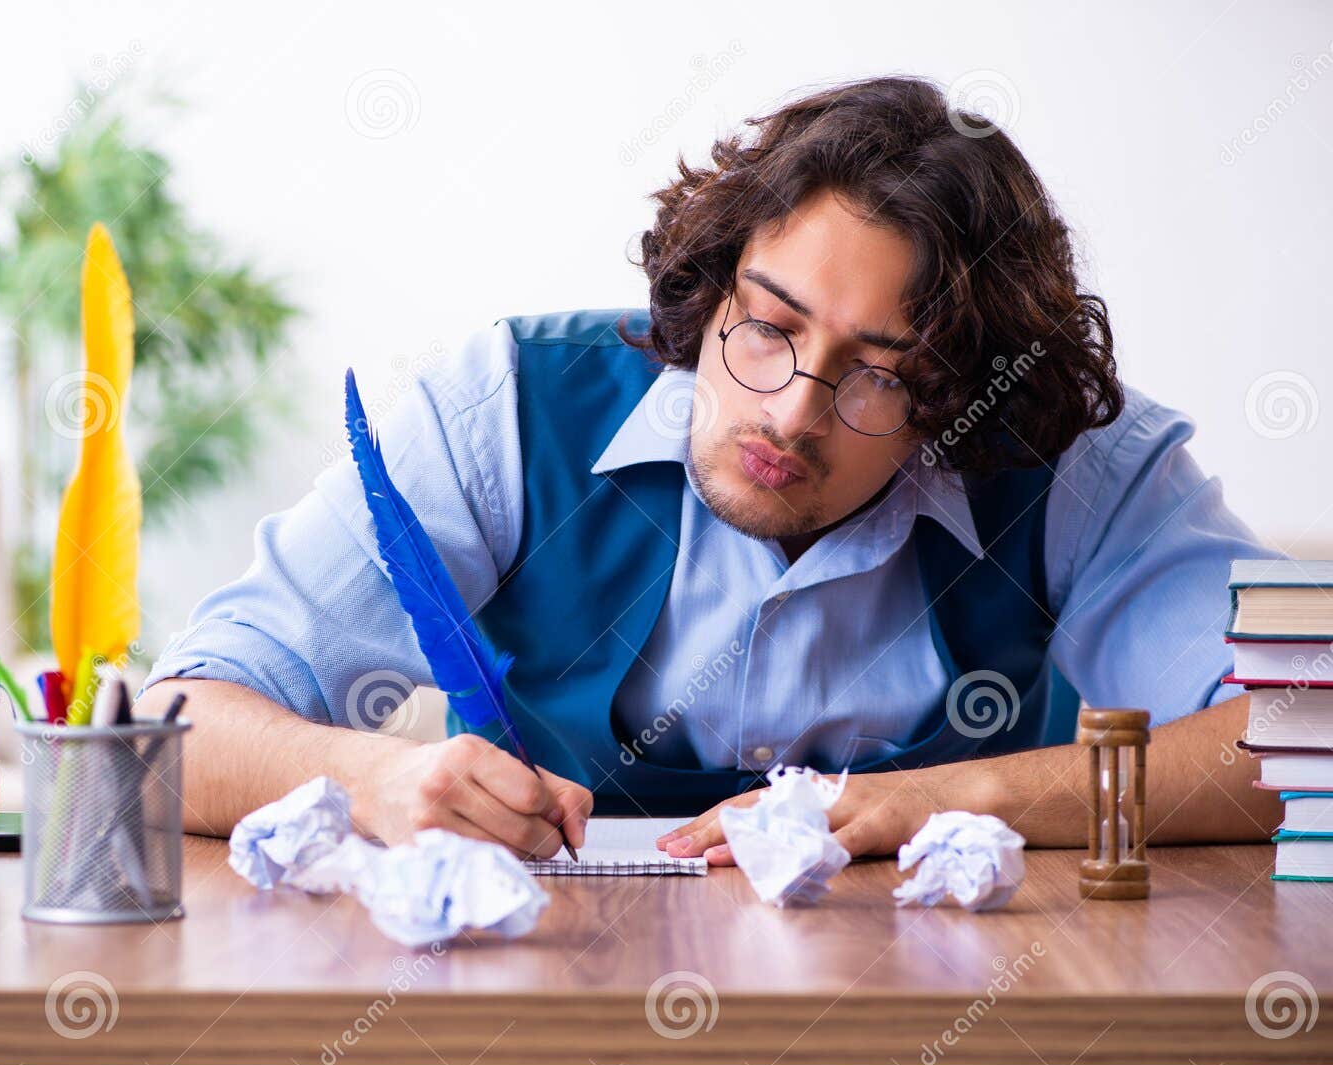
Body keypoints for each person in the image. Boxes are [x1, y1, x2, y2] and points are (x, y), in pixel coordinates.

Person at [136, 75, 1281, 865]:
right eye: (769, 325)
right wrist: (371, 783)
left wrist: (957, 796)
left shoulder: (1067, 454)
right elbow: (171, 728)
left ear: (958, 396)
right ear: (713, 281)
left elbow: (1306, 735)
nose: (791, 411)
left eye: (882, 374)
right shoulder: (504, 411)